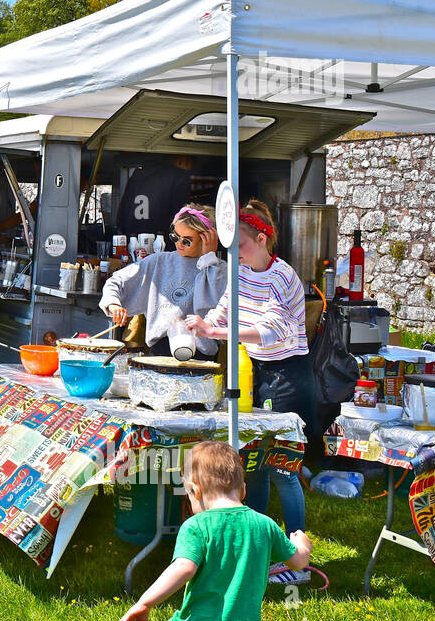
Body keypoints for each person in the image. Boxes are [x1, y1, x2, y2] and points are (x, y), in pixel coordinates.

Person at [185, 199, 313, 580]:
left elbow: (270, 330)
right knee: (253, 460)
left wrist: (217, 332)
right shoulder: (241, 271)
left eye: (240, 246)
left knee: (284, 469)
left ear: (261, 238)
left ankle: (298, 560)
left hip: (290, 374)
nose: (235, 255)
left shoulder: (282, 277)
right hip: (259, 370)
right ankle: (254, 547)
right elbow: (226, 308)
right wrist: (203, 323)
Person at [114, 441, 312, 621]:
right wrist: (303, 543)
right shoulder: (265, 525)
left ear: (194, 490)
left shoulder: (196, 526)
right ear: (243, 490)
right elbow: (298, 562)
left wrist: (145, 603)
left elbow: (183, 568)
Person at [100, 205, 226, 357]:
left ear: (206, 238)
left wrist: (209, 259)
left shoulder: (218, 268)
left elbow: (218, 301)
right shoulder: (159, 261)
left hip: (202, 354)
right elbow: (117, 281)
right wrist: (113, 303)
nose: (178, 244)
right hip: (160, 350)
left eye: (187, 241)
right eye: (175, 237)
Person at [116, 155, 193, 241]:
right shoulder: (180, 176)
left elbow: (120, 220)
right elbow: (181, 217)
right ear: (181, 161)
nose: (189, 168)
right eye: (189, 164)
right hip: (163, 245)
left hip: (134, 244)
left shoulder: (135, 177)